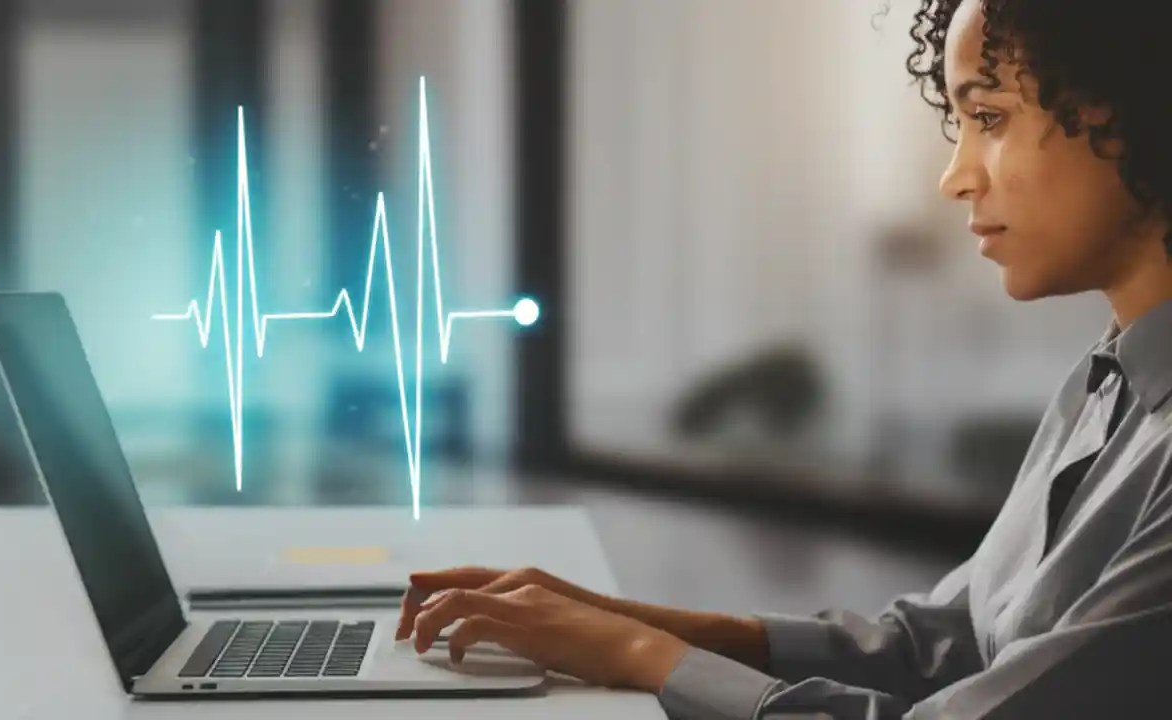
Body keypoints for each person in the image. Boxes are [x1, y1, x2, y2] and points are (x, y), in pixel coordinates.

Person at [397, 0, 1172, 716]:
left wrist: (641, 656)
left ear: (1138, 106)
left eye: (990, 117)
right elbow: (937, 647)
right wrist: (602, 616)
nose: (954, 176)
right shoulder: (1105, 386)